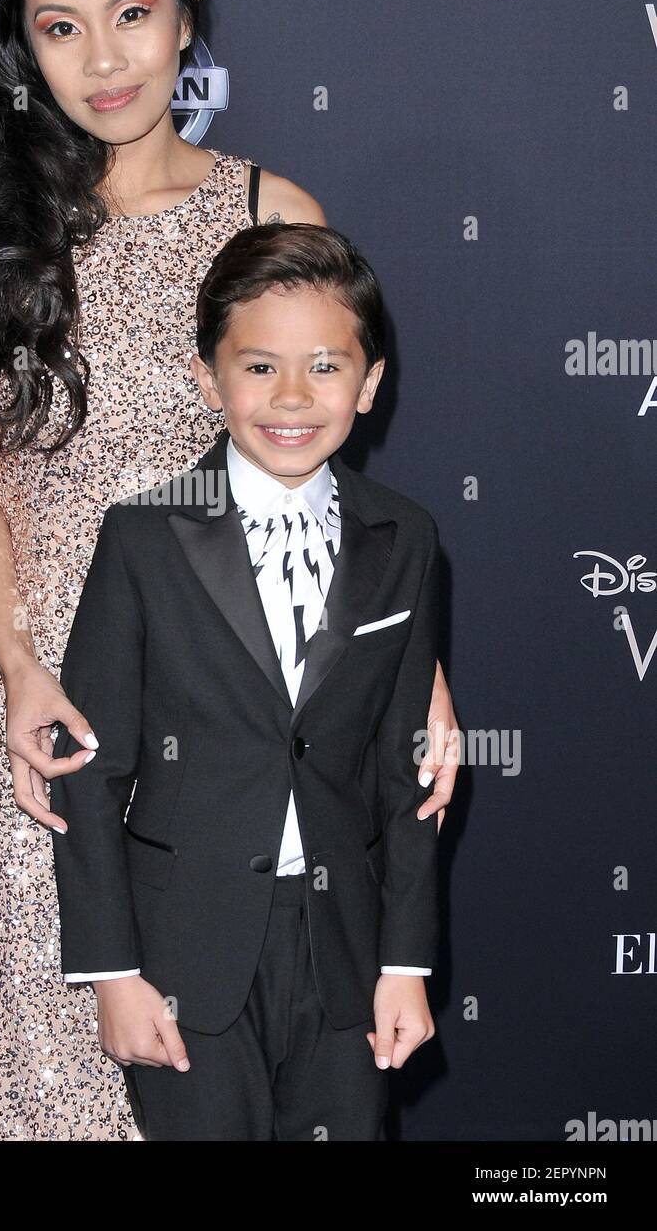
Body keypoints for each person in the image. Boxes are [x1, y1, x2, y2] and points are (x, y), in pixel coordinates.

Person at [0, 0, 460, 1141]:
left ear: (186, 11)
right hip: (53, 716)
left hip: (238, 720)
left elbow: (316, 468)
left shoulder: (271, 213)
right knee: (57, 1092)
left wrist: (406, 671)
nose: (104, 58)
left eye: (133, 11)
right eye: (60, 25)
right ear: (19, 45)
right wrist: (24, 666)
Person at [50, 222, 443, 1141]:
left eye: (326, 367)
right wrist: (112, 972)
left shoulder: (407, 538)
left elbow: (408, 768)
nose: (293, 398)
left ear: (371, 382)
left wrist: (407, 963)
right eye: (259, 368)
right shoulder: (144, 536)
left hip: (346, 952)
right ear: (207, 379)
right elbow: (91, 769)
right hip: (186, 954)